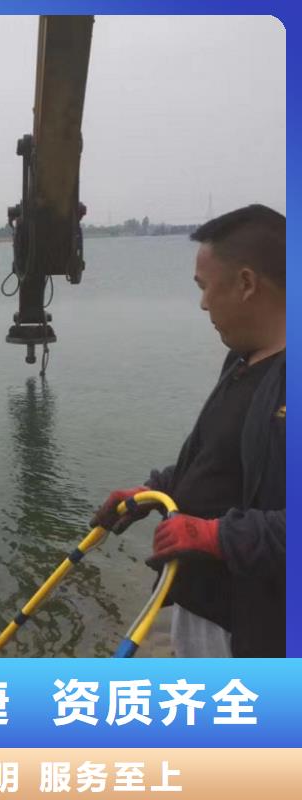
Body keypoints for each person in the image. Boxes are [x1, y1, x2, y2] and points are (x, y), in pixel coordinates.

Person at [92, 204, 285, 657]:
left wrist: (214, 536)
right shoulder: (242, 360)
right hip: (202, 606)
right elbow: (216, 459)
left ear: (246, 284)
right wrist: (155, 491)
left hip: (257, 631)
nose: (202, 304)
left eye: (204, 287)